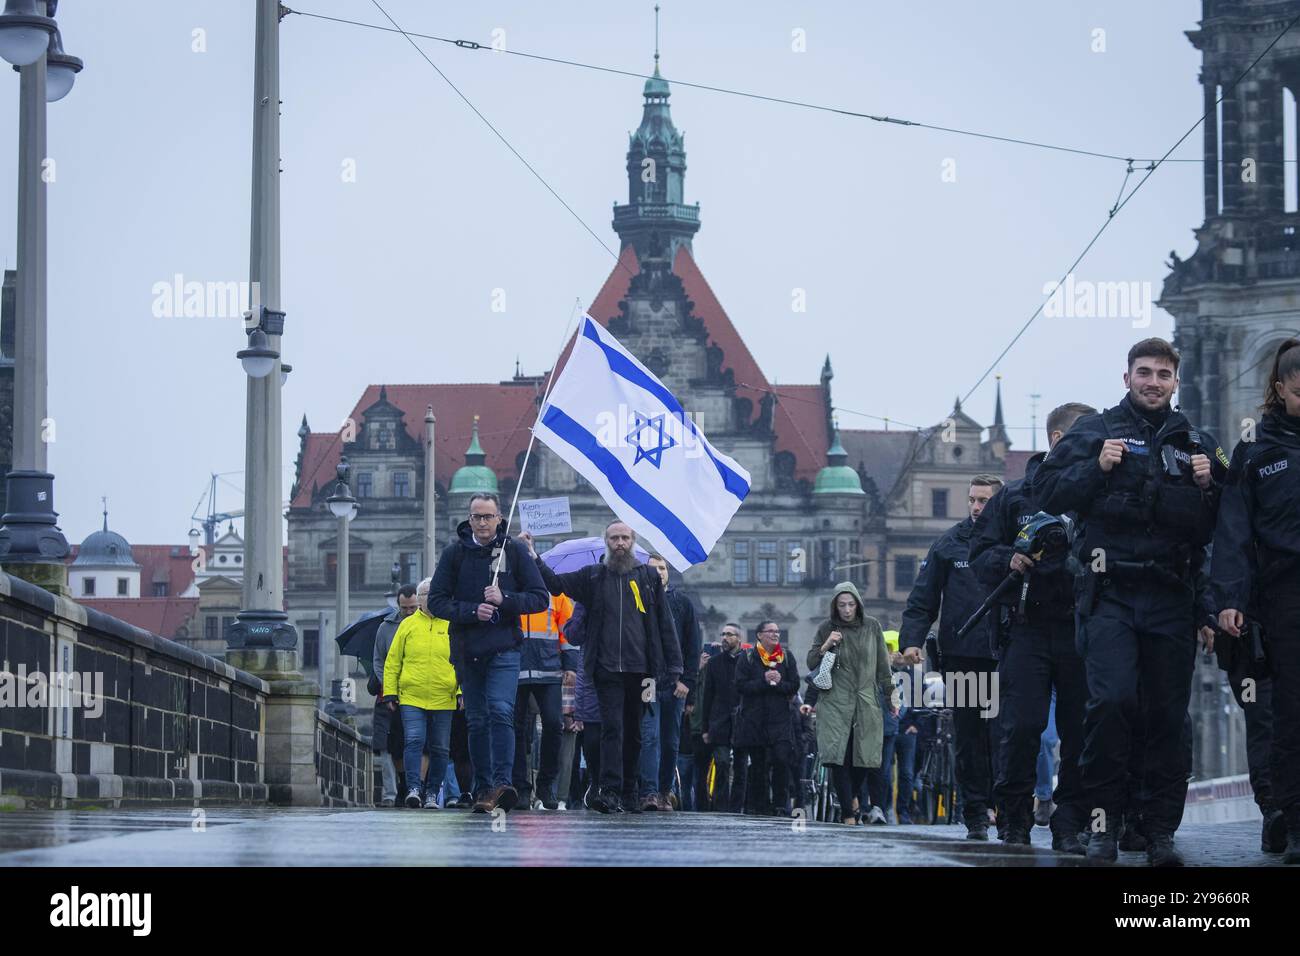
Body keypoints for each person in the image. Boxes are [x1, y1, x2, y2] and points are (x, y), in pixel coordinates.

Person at [1035, 337, 1227, 866]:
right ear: (1126, 378)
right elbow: (1044, 492)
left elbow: (1227, 529)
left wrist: (1213, 487)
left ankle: (1160, 829)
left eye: (1163, 375)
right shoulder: (1095, 431)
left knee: (1167, 716)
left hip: (1171, 595)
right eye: (1144, 372)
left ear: (1175, 382)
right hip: (1111, 594)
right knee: (1112, 703)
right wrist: (1094, 468)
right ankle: (1104, 824)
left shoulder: (1198, 442)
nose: (1153, 382)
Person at [969, 401, 1096, 854]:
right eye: (1088, 434)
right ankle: (1015, 821)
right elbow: (980, 555)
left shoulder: (1097, 494)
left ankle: (1070, 822)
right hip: (1026, 627)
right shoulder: (1014, 497)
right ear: (1059, 440)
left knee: (1081, 731)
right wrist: (1010, 558)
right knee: (1021, 727)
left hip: (1082, 627)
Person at [519, 523, 683, 814]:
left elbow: (663, 623)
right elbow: (555, 585)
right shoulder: (592, 576)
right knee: (612, 728)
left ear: (632, 542)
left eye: (624, 538)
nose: (619, 543)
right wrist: (533, 556)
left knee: (635, 732)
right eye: (614, 538)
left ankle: (631, 790)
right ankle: (609, 790)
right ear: (607, 542)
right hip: (606, 670)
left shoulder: (647, 577)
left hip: (643, 672)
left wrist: (674, 667)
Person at [1211, 338, 1300, 863]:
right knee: (1288, 712)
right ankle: (1290, 818)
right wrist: (1228, 599)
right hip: (1284, 594)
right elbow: (1233, 533)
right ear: (1282, 388)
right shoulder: (1256, 452)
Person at [428, 492, 550, 814]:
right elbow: (437, 601)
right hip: (468, 649)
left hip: (505, 646)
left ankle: (501, 782)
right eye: (477, 517)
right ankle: (482, 787)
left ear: (499, 518)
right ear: (469, 520)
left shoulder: (515, 551)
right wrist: (471, 611)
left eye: (488, 516)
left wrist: (505, 598)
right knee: (477, 720)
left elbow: (540, 598)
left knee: (500, 710)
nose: (482, 522)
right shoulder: (454, 554)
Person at [899, 474, 1005, 839]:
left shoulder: (1014, 540)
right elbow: (922, 599)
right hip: (963, 654)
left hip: (1009, 652)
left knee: (1007, 733)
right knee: (970, 736)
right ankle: (975, 811)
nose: (977, 507)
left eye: (984, 501)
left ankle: (1007, 808)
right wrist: (911, 641)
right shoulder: (949, 544)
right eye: (973, 500)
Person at [807, 582, 895, 825]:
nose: (846, 609)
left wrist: (891, 695)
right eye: (841, 605)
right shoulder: (826, 628)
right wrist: (827, 645)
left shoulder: (872, 626)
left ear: (858, 604)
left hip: (866, 700)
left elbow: (882, 666)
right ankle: (848, 813)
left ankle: (853, 796)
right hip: (835, 700)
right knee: (838, 758)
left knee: (865, 759)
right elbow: (811, 662)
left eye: (851, 604)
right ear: (835, 606)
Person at [382, 578, 461, 809]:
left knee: (440, 748)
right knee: (414, 740)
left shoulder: (451, 623)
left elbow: (461, 660)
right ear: (419, 599)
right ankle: (413, 788)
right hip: (412, 695)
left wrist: (460, 690)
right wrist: (390, 692)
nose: (429, 598)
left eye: (433, 593)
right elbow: (393, 661)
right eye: (425, 594)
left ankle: (432, 792)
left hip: (443, 695)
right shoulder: (407, 625)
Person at [637, 554, 702, 810]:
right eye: (654, 569)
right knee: (649, 736)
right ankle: (650, 792)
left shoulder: (682, 603)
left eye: (663, 568)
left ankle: (665, 790)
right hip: (647, 682)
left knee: (671, 740)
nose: (660, 572)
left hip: (675, 684)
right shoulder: (639, 602)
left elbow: (692, 645)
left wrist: (688, 681)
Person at [513, 592, 577, 811]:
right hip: (515, 667)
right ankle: (521, 788)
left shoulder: (557, 594)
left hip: (548, 668)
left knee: (553, 724)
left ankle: (545, 785)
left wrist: (570, 664)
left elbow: (568, 631)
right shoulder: (511, 586)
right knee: (515, 728)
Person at [733, 621, 801, 815]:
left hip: (780, 721)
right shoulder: (748, 657)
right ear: (759, 635)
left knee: (781, 760)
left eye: (778, 631)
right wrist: (763, 681)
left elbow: (794, 685)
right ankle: (760, 805)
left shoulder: (786, 657)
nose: (775, 634)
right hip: (754, 722)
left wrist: (779, 683)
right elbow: (740, 685)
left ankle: (780, 804)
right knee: (758, 765)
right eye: (770, 631)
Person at [371, 584, 419, 807]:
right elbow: (379, 661)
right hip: (388, 697)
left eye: (412, 607)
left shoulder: (425, 625)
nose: (409, 612)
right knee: (386, 746)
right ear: (398, 605)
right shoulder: (386, 627)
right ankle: (392, 794)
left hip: (416, 694)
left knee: (414, 742)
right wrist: (389, 687)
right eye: (404, 608)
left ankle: (411, 787)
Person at [700, 624, 745, 812]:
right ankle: (720, 806)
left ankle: (737, 807)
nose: (725, 638)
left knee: (741, 768)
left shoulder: (748, 661)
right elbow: (707, 696)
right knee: (722, 763)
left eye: (730, 634)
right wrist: (705, 728)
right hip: (719, 723)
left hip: (743, 722)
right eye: (723, 634)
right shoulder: (715, 663)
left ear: (739, 638)